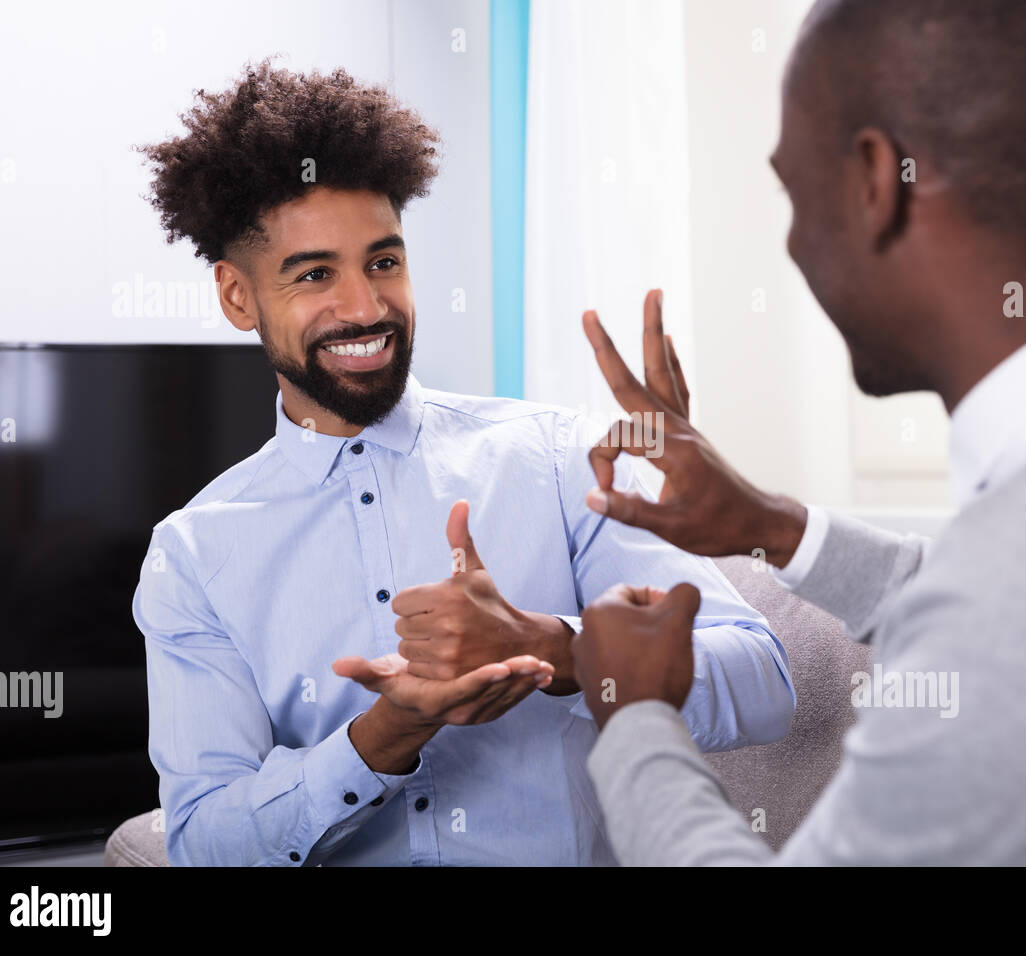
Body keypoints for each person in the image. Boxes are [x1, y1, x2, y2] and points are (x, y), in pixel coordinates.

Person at [569, 0, 1026, 865]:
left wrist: (635, 715)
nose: (791, 242)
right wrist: (774, 529)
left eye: (794, 190)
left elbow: (1022, 630)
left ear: (874, 182)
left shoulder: (1018, 628)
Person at [130, 59, 793, 866]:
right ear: (238, 297)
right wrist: (380, 738)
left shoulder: (557, 459)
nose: (367, 308)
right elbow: (204, 843)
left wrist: (557, 649)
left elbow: (767, 685)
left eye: (384, 262)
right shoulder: (194, 555)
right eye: (314, 275)